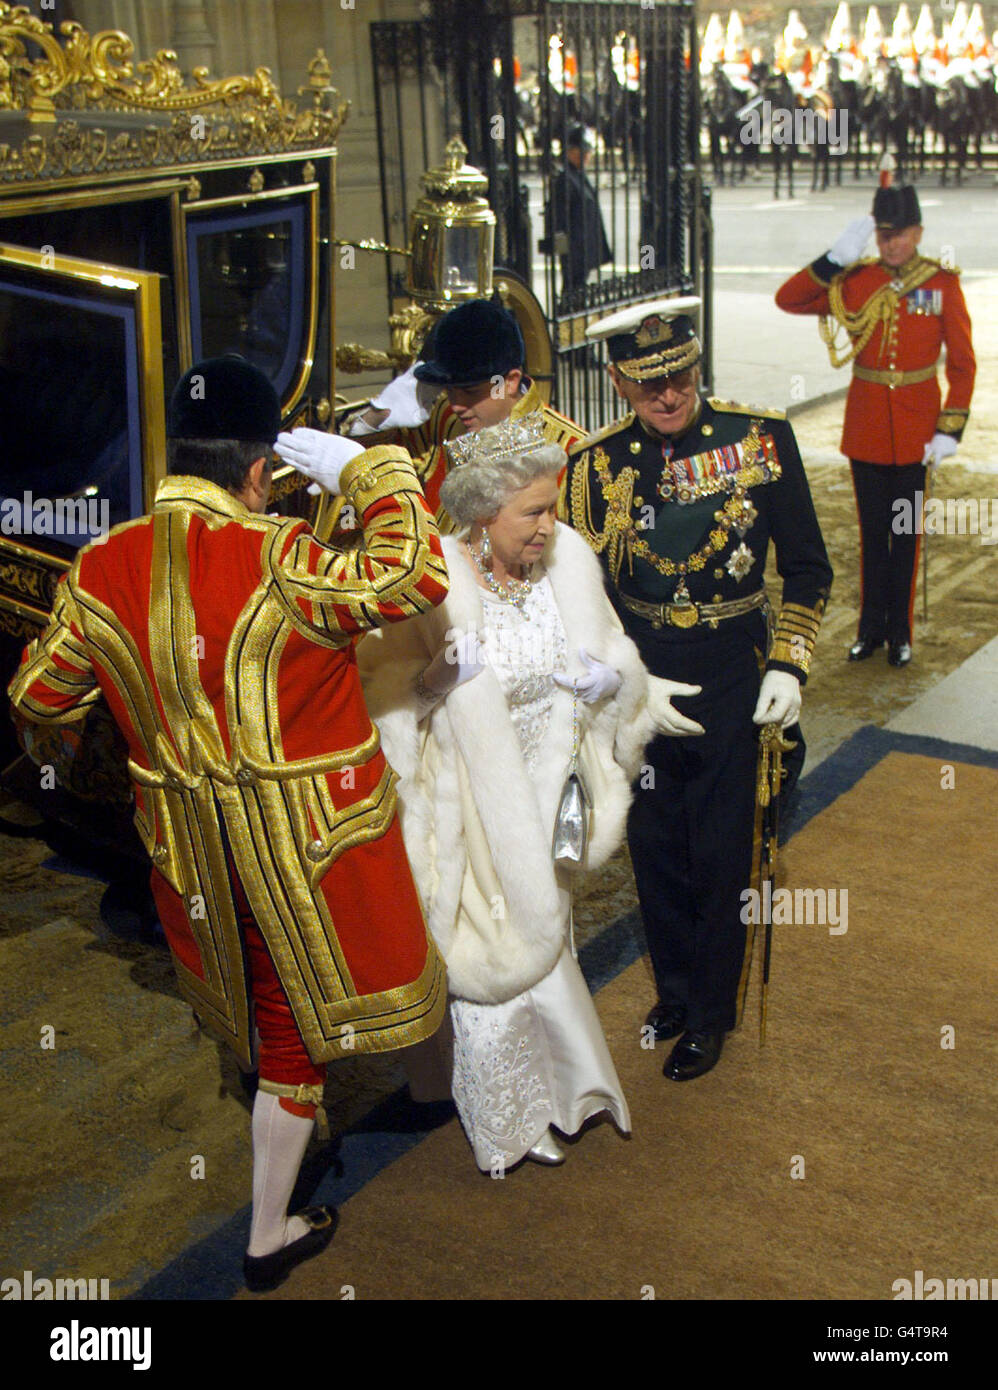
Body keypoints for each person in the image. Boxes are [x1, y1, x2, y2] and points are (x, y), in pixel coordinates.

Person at [8, 356, 450, 1291]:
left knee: (255, 1009)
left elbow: (40, 696)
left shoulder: (101, 566)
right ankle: (268, 1232)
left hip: (190, 853)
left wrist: (105, 759)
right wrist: (372, 472)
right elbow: (413, 574)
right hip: (314, 848)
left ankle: (407, 1098)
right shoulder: (282, 557)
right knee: (309, 1021)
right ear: (259, 470)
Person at [351, 411, 697, 1170]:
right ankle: (508, 1120)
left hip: (556, 789)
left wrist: (611, 682)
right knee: (494, 959)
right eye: (533, 511)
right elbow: (374, 700)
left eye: (553, 506)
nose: (550, 526)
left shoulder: (568, 560)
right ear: (481, 511)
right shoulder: (432, 578)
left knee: (550, 943)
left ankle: (563, 1090)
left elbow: (613, 653)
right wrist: (432, 682)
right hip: (471, 804)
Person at [562, 298, 833, 1081]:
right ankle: (674, 990)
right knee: (654, 847)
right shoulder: (596, 466)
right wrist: (613, 676)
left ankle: (712, 1013)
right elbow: (592, 589)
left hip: (730, 669)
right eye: (650, 387)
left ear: (697, 365)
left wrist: (789, 662)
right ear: (618, 383)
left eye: (679, 377)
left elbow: (808, 567)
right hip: (643, 673)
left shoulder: (760, 439)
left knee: (721, 852)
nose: (669, 397)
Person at [775, 184, 976, 666]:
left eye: (901, 235)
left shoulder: (941, 285)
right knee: (871, 534)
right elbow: (789, 299)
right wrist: (831, 260)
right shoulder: (856, 279)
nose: (892, 244)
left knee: (905, 534)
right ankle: (869, 630)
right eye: (884, 235)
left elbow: (963, 364)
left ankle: (900, 633)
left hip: (917, 432)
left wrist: (950, 428)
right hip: (866, 428)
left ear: (918, 233)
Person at [331, 295, 584, 532]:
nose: (457, 405)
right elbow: (373, 479)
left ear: (509, 382)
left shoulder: (571, 452)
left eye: (470, 392)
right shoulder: (442, 418)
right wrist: (377, 416)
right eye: (449, 391)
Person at [542, 124, 613, 298]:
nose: (588, 156)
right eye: (583, 152)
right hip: (574, 249)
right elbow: (559, 217)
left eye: (588, 152)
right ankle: (569, 319)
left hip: (582, 247)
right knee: (573, 289)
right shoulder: (565, 178)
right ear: (571, 152)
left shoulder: (577, 175)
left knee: (578, 289)